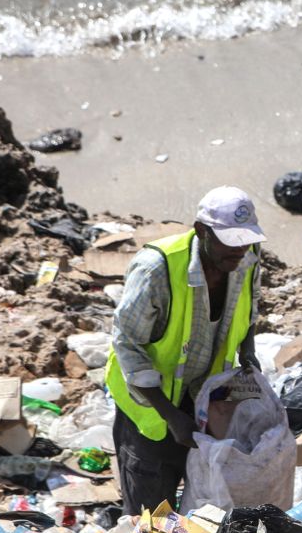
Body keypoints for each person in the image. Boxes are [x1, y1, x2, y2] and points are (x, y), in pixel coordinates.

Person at [104, 186, 267, 515]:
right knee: (150, 516)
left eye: (246, 239)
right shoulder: (156, 270)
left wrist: (248, 354)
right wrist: (171, 415)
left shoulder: (245, 258)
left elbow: (250, 311)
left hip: (203, 400)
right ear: (201, 231)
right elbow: (127, 343)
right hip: (150, 409)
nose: (241, 250)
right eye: (230, 241)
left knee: (204, 506)